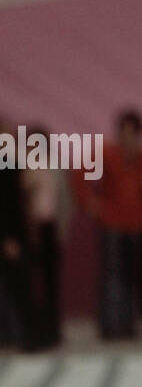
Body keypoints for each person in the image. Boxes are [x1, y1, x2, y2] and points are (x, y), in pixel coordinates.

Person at [75, 109, 142, 340]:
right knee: (112, 276)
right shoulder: (107, 154)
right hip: (112, 223)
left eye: (133, 133)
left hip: (139, 224)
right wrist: (89, 202)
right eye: (124, 132)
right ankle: (111, 326)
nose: (128, 138)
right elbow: (80, 175)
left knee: (133, 277)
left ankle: (129, 325)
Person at [22, 122, 73, 349]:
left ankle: (52, 329)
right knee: (31, 284)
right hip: (29, 229)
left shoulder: (55, 167)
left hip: (51, 227)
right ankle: (34, 330)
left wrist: (62, 229)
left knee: (51, 282)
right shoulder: (21, 166)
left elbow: (65, 199)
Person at [0, 117, 34, 350]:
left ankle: (15, 334)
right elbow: (5, 204)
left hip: (14, 234)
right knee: (11, 286)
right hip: (8, 235)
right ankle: (14, 333)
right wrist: (7, 237)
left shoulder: (10, 162)